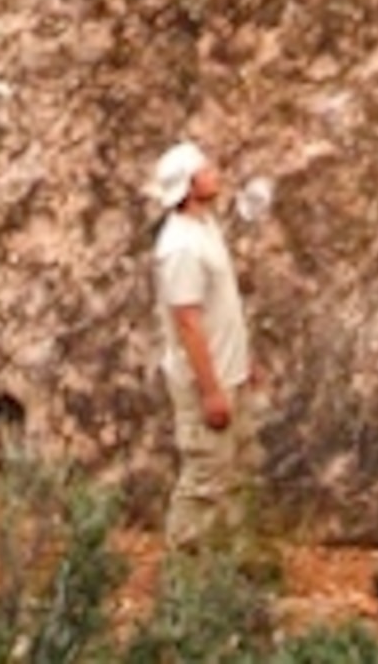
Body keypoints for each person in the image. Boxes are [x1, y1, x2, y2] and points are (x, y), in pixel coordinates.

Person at [150, 138, 258, 555]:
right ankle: (184, 570)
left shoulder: (204, 228)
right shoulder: (181, 248)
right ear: (189, 186)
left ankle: (227, 563)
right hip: (207, 381)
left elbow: (220, 306)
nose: (215, 173)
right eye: (205, 171)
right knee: (205, 479)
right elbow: (188, 322)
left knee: (233, 471)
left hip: (229, 372)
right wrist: (211, 390)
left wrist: (244, 360)